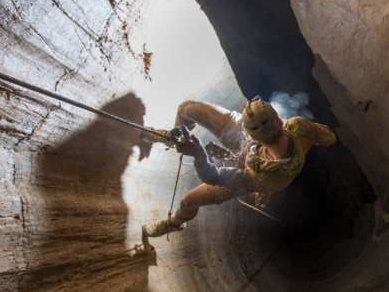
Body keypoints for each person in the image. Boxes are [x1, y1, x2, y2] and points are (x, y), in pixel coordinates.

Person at [143, 96, 337, 241]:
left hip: (245, 177)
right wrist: (307, 139)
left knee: (188, 201)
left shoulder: (265, 178)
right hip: (247, 143)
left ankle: (174, 223)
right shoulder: (298, 126)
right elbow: (330, 137)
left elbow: (215, 177)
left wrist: (200, 156)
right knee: (187, 109)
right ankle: (175, 138)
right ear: (280, 121)